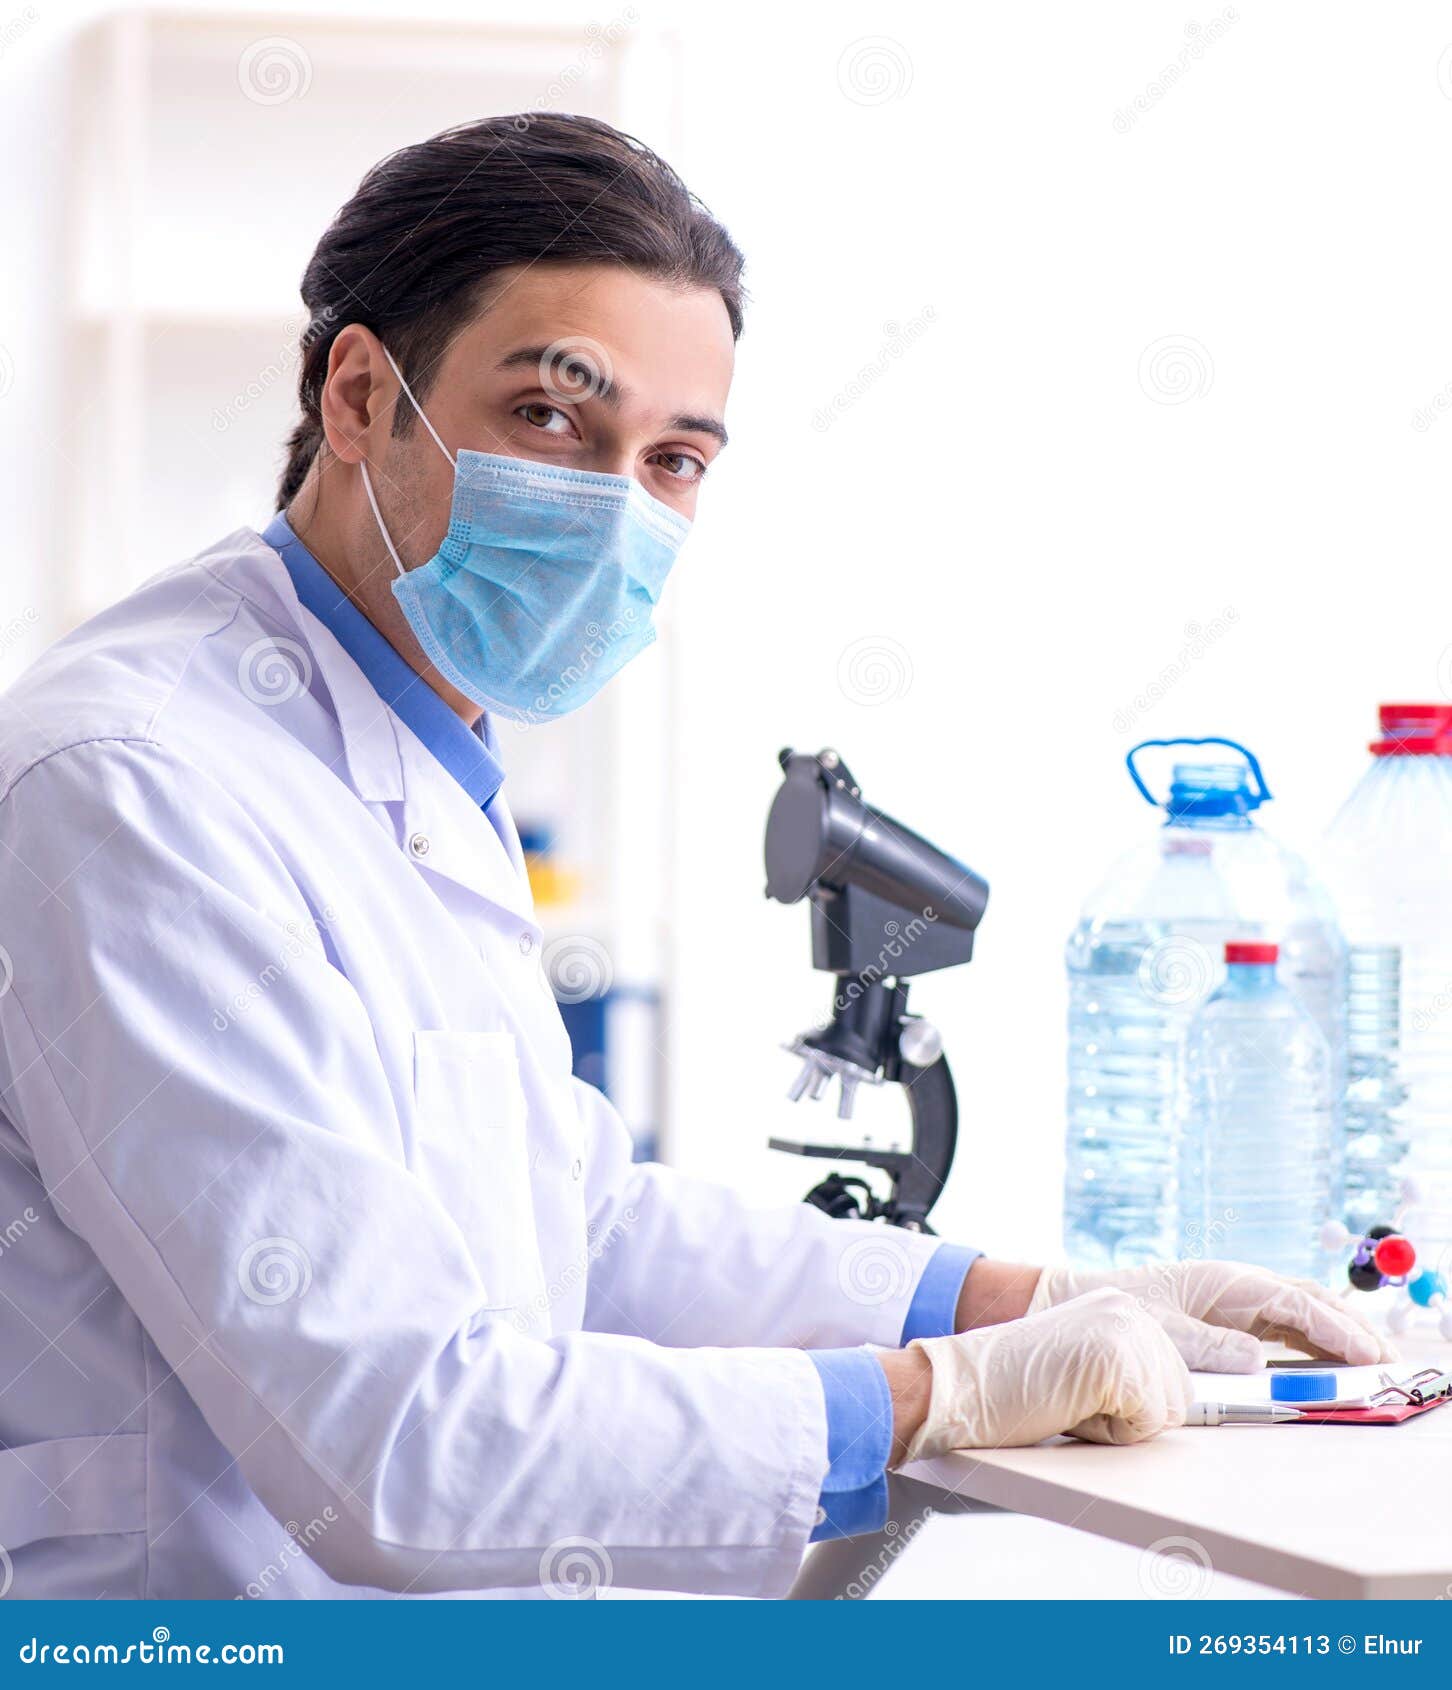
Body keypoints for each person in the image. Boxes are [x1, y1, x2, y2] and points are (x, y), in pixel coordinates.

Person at [0, 114, 1386, 1601]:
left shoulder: (415, 743)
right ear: (357, 394)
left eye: (672, 460)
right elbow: (399, 1444)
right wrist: (936, 1394)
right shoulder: (133, 783)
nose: (615, 509)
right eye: (550, 419)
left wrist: (1023, 1295)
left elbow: (571, 1221)